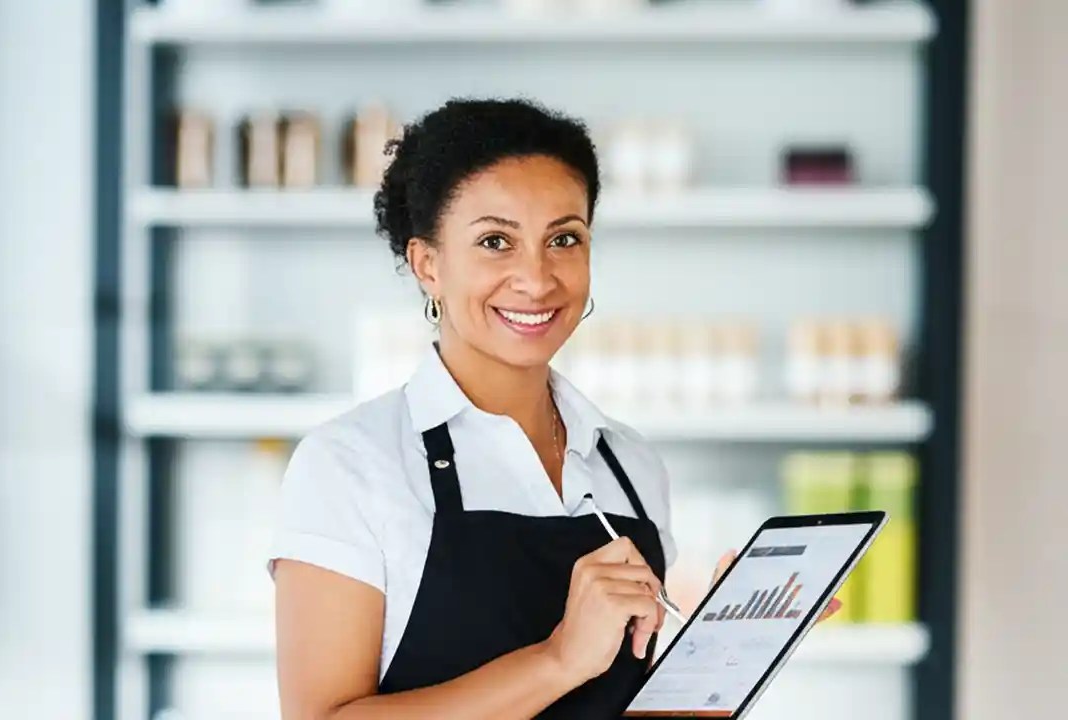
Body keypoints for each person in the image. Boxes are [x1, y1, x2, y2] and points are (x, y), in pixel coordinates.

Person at [269, 98, 831, 719]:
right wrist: (559, 658)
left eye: (564, 239)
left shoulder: (630, 466)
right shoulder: (350, 465)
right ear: (428, 264)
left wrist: (724, 663)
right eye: (495, 242)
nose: (536, 280)